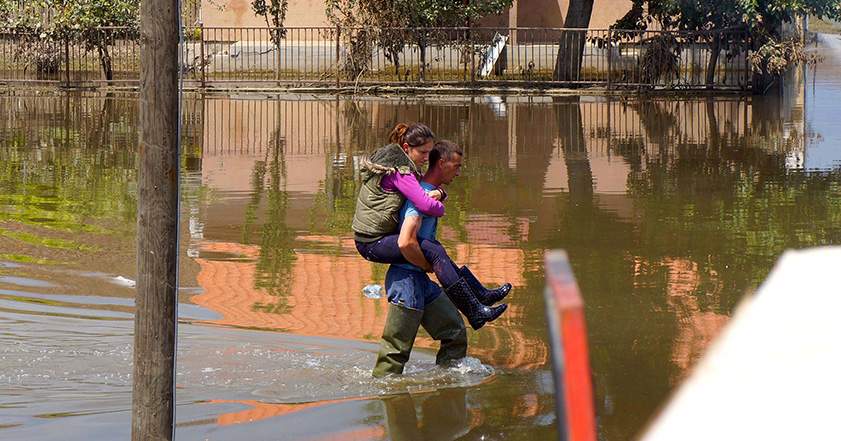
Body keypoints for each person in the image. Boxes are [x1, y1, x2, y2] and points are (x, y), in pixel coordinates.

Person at [353, 126, 512, 330]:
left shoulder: (405, 168)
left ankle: (479, 298)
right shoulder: (401, 172)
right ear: (406, 147)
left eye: (429, 152)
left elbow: (421, 189)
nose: (427, 158)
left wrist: (441, 193)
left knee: (437, 251)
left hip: (378, 239)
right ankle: (474, 309)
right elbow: (424, 203)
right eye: (423, 152)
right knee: (436, 252)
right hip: (371, 242)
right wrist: (441, 204)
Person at [373, 141, 509, 377]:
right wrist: (427, 264)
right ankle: (386, 398)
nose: (458, 172)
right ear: (442, 163)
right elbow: (405, 241)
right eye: (456, 166)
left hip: (422, 282)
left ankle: (448, 388)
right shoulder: (421, 196)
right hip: (406, 281)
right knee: (395, 354)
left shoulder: (430, 193)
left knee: (454, 332)